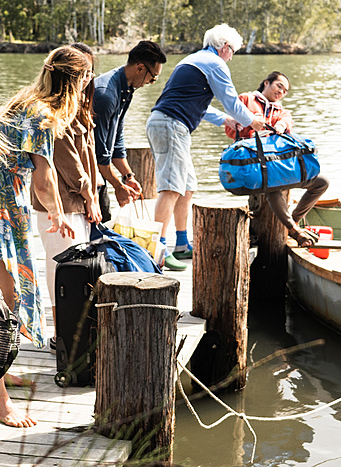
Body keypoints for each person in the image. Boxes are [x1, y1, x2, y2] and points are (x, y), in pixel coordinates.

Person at [0, 46, 85, 428]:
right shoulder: (43, 114)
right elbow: (43, 178)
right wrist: (58, 213)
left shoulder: (22, 102)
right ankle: (0, 400)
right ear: (75, 82)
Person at [145, 24, 263, 271]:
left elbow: (203, 105)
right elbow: (231, 101)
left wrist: (225, 120)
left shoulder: (195, 60)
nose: (232, 57)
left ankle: (181, 244)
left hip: (168, 124)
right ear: (225, 47)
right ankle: (157, 250)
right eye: (233, 52)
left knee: (186, 187)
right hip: (171, 125)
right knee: (170, 188)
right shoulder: (215, 63)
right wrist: (252, 121)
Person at [31, 44, 100, 322]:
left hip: (70, 203)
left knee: (67, 267)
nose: (88, 80)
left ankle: (70, 327)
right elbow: (69, 165)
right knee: (62, 268)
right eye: (84, 75)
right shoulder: (54, 113)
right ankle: (64, 329)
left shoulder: (75, 108)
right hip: (61, 203)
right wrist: (90, 197)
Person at [225, 71, 330, 247]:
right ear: (266, 83)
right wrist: (251, 124)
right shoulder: (246, 99)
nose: (281, 92)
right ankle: (295, 231)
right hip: (252, 166)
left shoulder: (282, 112)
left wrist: (281, 126)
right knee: (271, 186)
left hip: (276, 166)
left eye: (285, 90)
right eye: (278, 86)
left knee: (322, 182)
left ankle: (292, 222)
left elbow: (286, 122)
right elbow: (230, 131)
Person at [92, 40, 167, 207]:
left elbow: (117, 139)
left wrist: (128, 176)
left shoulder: (126, 88)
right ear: (139, 68)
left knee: (103, 223)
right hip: (85, 174)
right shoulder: (106, 95)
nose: (151, 82)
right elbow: (99, 151)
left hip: (100, 172)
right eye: (153, 77)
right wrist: (118, 186)